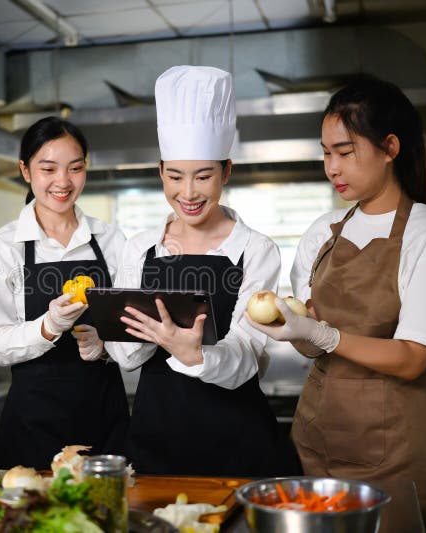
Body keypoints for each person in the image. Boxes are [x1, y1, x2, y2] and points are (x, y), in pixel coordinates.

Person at [247, 75, 426, 532]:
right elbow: (309, 341)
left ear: (390, 148)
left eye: (345, 152)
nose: (332, 167)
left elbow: (411, 359)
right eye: (326, 153)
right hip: (318, 438)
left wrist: (323, 334)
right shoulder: (322, 232)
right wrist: (296, 329)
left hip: (395, 452)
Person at [106, 65, 294, 477]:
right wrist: (113, 328)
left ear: (226, 172)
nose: (187, 193)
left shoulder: (255, 249)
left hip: (237, 440)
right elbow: (125, 355)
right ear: (160, 172)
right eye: (174, 176)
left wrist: (194, 353)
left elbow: (248, 354)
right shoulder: (140, 248)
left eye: (203, 176)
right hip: (156, 437)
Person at [0, 116, 129, 470]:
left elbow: (132, 329)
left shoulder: (112, 240)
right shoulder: (3, 245)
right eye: (48, 169)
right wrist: (48, 325)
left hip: (105, 418)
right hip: (34, 423)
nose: (63, 182)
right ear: (26, 171)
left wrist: (106, 346)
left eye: (75, 168)